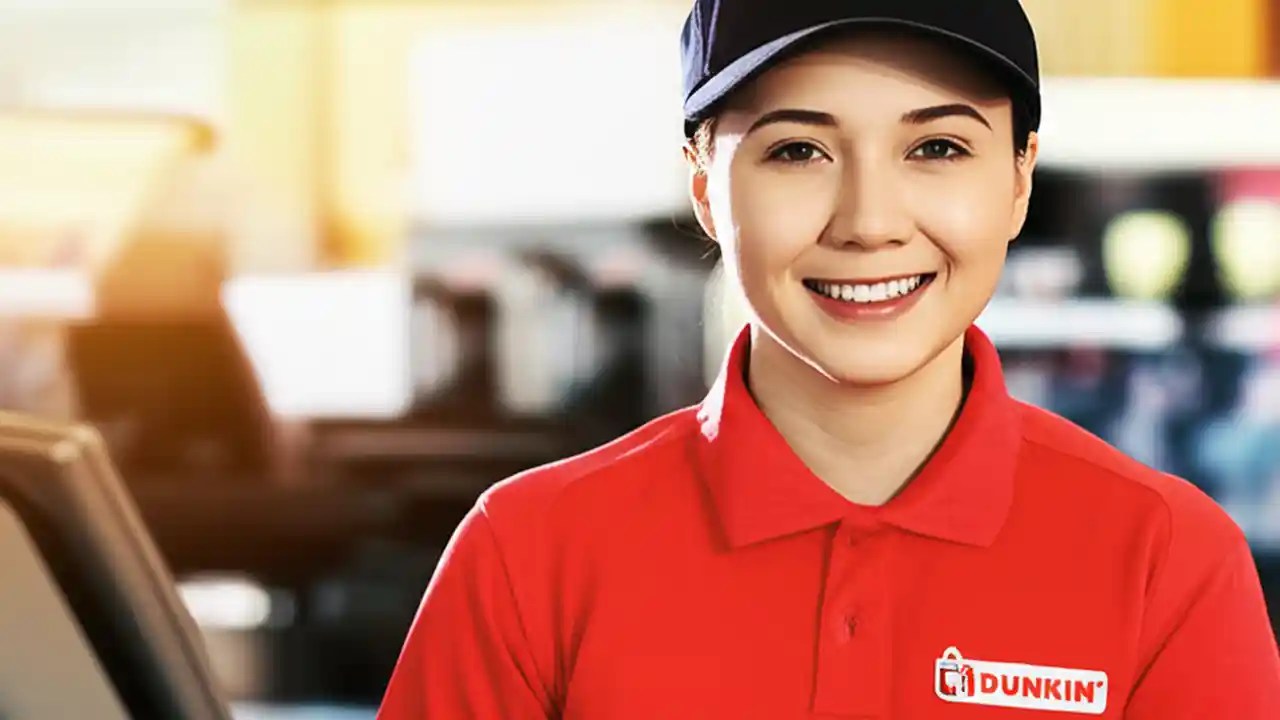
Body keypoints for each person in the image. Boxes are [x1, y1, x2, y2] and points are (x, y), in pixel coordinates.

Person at [377, 1, 1280, 717]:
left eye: (937, 147)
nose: (869, 221)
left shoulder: (1168, 562)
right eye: (797, 150)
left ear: (1018, 178)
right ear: (703, 186)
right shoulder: (530, 556)